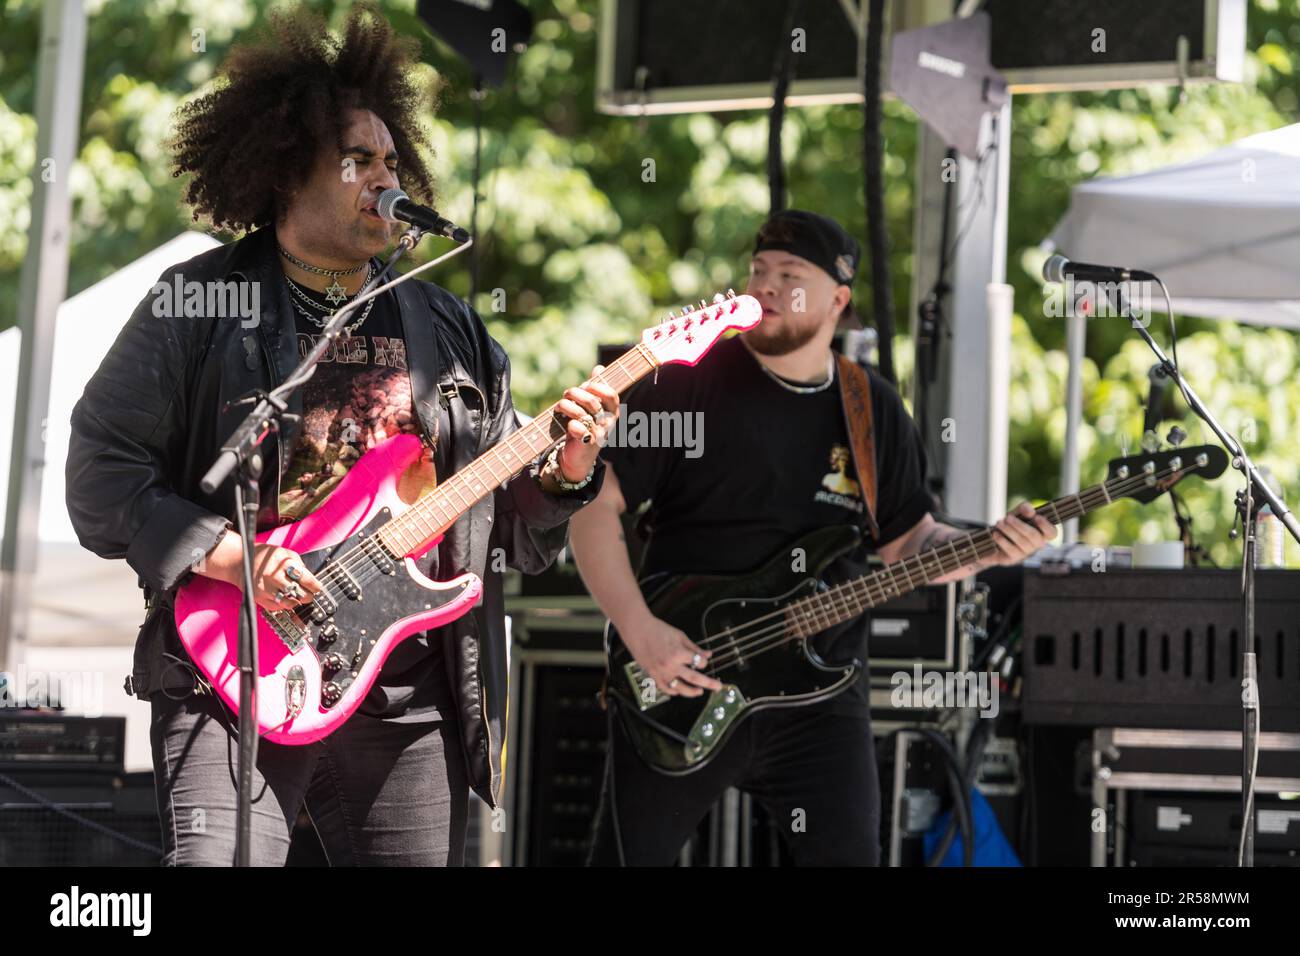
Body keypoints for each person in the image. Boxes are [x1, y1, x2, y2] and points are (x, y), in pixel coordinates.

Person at [65, 4, 619, 866]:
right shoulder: (197, 302)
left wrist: (564, 474)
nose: (384, 180)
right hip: (237, 670)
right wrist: (231, 558)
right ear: (288, 173)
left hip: (406, 698)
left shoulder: (451, 330)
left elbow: (502, 531)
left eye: (392, 161)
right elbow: (101, 474)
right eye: (356, 160)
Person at [569, 209, 1053, 866]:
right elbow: (592, 502)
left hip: (819, 698)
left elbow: (910, 542)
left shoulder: (871, 406)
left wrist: (989, 549)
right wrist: (639, 629)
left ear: (838, 299)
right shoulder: (688, 380)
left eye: (790, 275)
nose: (765, 287)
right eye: (759, 272)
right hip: (684, 671)